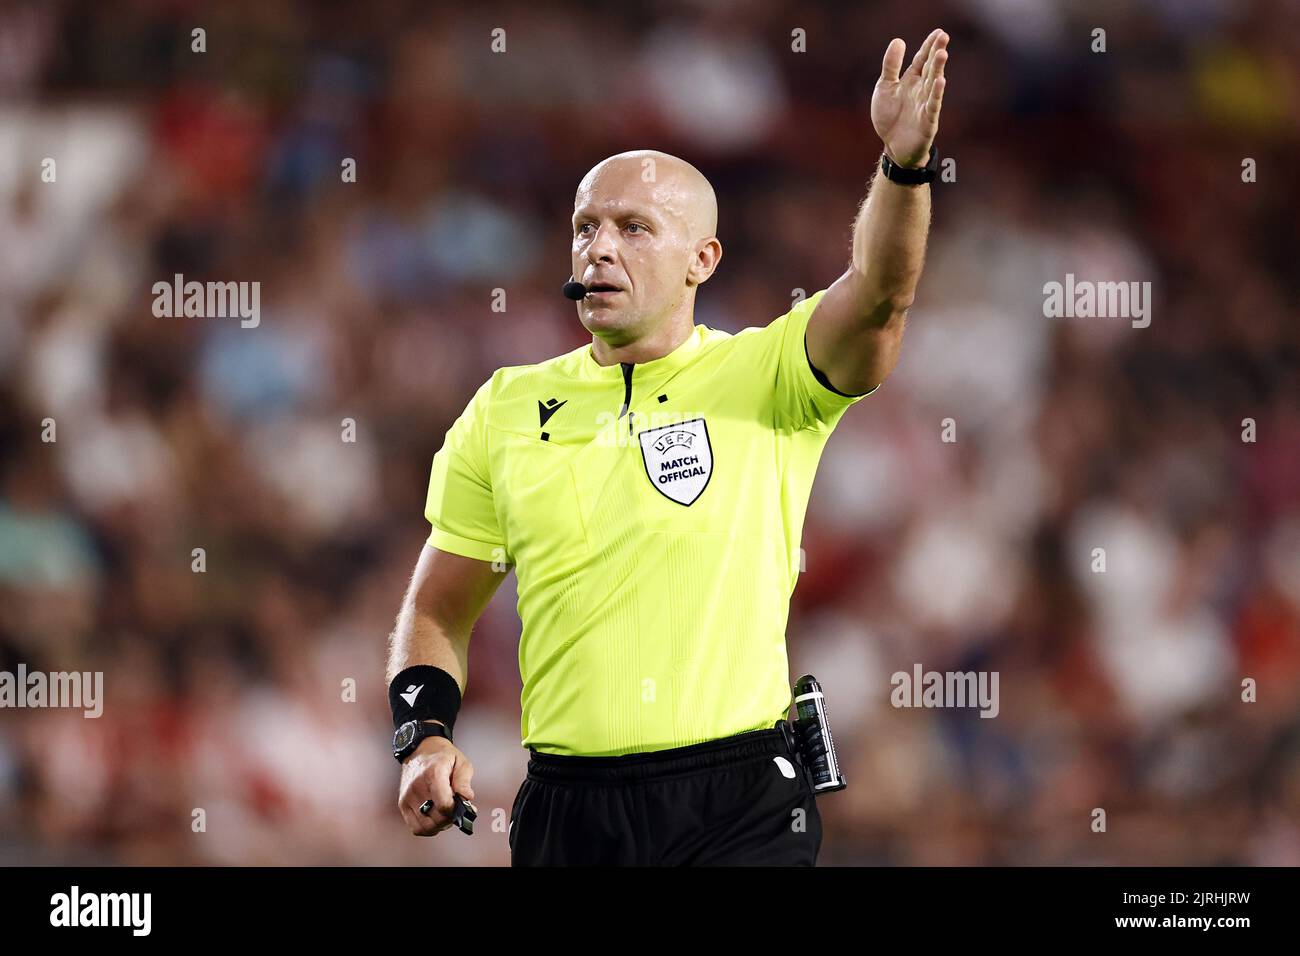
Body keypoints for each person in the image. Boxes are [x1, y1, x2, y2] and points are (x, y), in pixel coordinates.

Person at [386, 28, 950, 865]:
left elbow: (878, 299)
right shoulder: (504, 409)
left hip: (740, 799)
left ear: (702, 259)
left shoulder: (767, 373)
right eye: (585, 227)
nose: (599, 247)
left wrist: (902, 169)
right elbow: (437, 606)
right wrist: (424, 737)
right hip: (569, 809)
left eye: (634, 228)